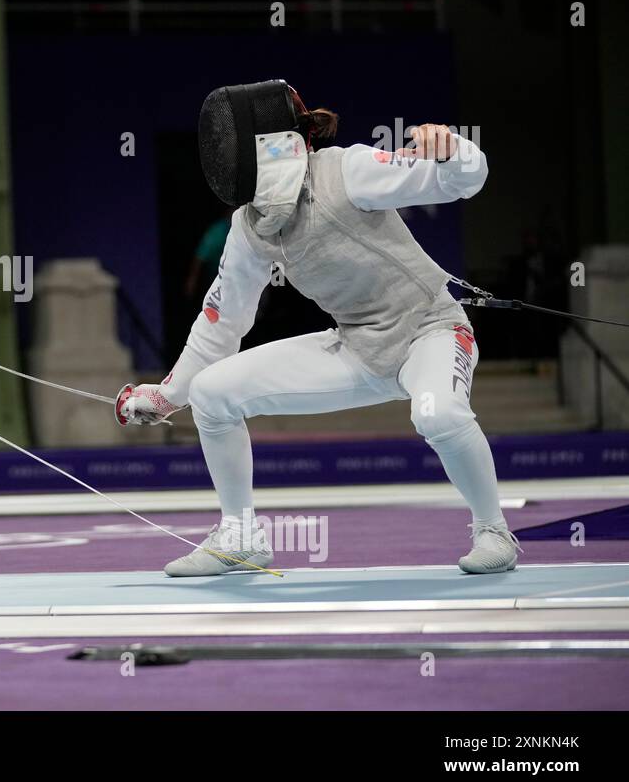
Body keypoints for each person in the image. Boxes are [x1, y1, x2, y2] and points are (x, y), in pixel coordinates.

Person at [117, 80, 518, 576]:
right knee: (212, 392)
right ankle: (241, 536)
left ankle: (493, 529)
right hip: (356, 346)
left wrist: (453, 149)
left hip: (429, 332)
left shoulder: (346, 170)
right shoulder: (251, 224)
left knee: (436, 415)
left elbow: (460, 182)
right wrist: (170, 394)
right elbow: (223, 320)